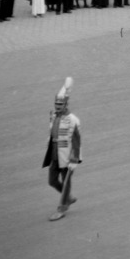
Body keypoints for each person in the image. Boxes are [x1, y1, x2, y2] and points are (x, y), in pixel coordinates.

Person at [43, 77, 81, 221]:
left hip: (66, 157)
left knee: (65, 184)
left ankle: (62, 209)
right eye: (56, 104)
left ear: (65, 105)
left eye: (60, 104)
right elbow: (51, 130)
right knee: (52, 181)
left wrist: (74, 159)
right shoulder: (53, 115)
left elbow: (76, 141)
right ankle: (68, 198)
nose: (57, 107)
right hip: (54, 154)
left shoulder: (73, 120)